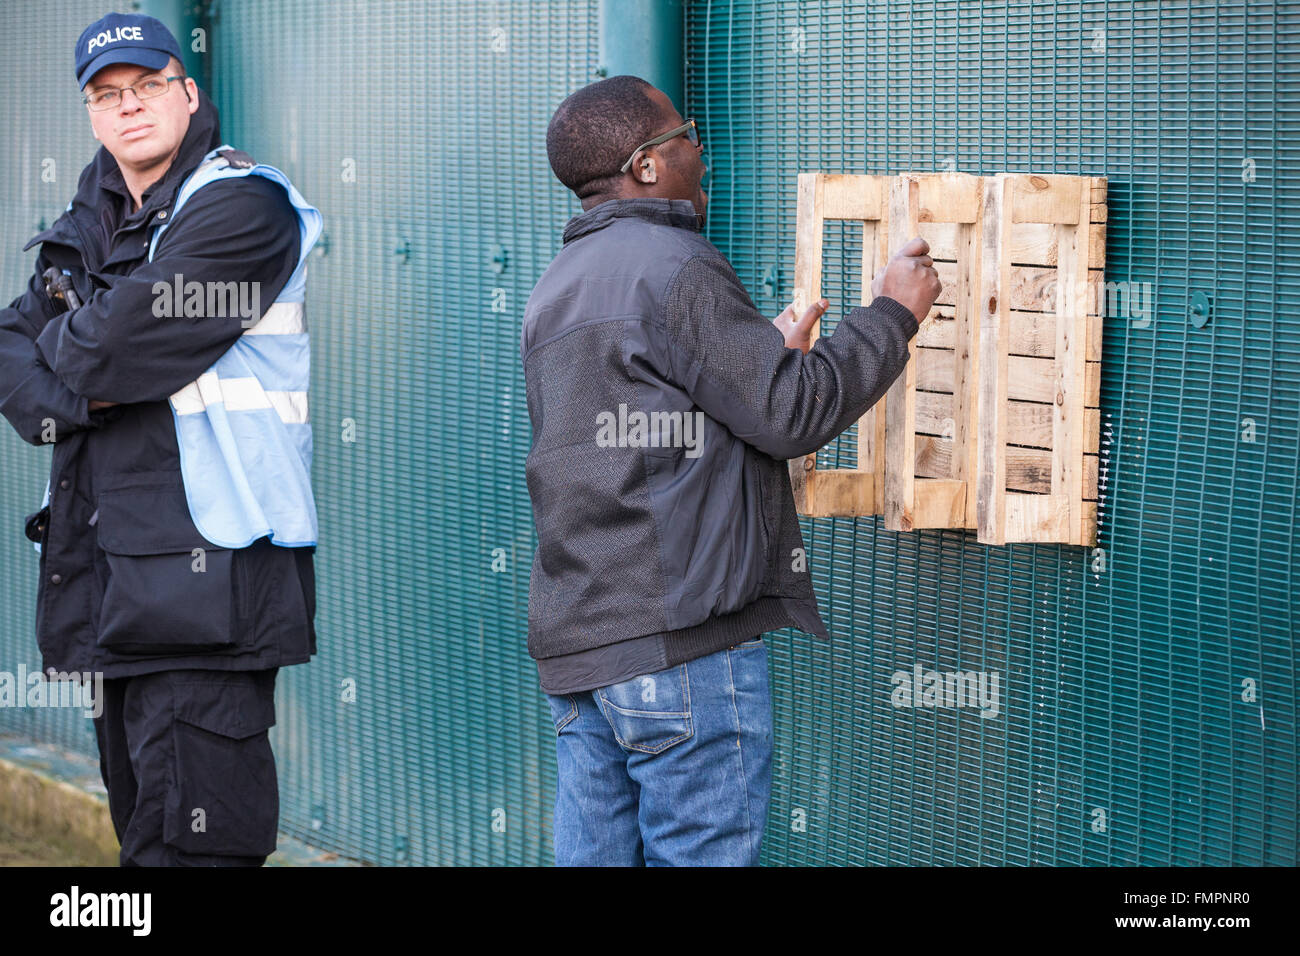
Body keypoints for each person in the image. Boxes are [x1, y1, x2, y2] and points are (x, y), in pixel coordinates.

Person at [523, 74, 941, 866]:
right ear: (647, 166)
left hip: (584, 649)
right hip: (679, 650)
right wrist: (893, 313)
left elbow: (640, 437)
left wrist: (755, 361)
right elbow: (793, 415)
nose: (700, 153)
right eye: (687, 135)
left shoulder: (555, 288)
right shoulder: (674, 262)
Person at [0, 12, 323, 865]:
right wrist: (83, 387)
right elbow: (10, 344)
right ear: (91, 116)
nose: (128, 108)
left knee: (196, 850)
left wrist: (77, 350)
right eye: (106, 97)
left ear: (187, 92)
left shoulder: (245, 205)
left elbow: (113, 346)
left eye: (147, 87)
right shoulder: (88, 223)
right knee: (140, 846)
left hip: (210, 587)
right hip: (111, 588)